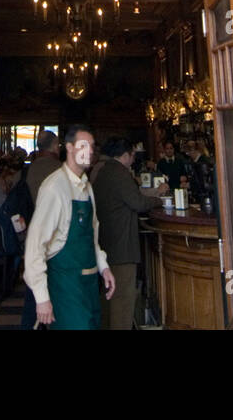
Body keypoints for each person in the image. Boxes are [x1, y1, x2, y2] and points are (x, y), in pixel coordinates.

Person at [23, 124, 115, 329]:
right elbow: (35, 245)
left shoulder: (87, 187)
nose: (89, 151)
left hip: (89, 286)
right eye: (84, 145)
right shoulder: (55, 187)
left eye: (92, 146)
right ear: (70, 148)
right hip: (65, 286)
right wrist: (41, 297)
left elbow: (93, 235)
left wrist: (104, 267)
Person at [92, 137, 168, 329]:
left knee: (109, 298)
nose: (134, 158)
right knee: (122, 301)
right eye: (133, 154)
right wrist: (160, 201)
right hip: (122, 247)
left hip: (107, 243)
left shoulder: (104, 172)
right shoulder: (119, 174)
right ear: (125, 155)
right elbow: (138, 203)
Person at [26, 129, 60, 204]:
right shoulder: (62, 170)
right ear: (55, 146)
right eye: (58, 145)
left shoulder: (25, 172)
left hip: (31, 215)